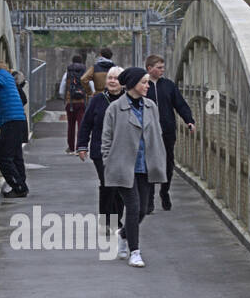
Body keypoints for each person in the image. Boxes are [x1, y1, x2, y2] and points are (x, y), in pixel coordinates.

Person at [101, 67, 167, 268]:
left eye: (148, 82)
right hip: (123, 166)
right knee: (133, 206)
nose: (148, 86)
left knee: (144, 209)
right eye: (144, 82)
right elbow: (106, 139)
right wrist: (109, 161)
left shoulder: (151, 106)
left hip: (146, 166)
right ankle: (135, 251)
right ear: (132, 84)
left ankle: (122, 235)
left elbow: (158, 134)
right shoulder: (115, 108)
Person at [76, 66, 125, 235]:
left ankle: (116, 218)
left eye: (116, 78)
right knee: (107, 184)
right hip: (100, 151)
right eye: (110, 78)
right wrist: (82, 145)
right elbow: (86, 124)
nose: (112, 81)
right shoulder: (97, 100)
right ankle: (109, 222)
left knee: (119, 186)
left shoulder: (128, 100)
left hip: (123, 151)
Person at [145, 54, 196, 210]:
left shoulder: (168, 85)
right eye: (159, 68)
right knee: (150, 164)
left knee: (168, 163)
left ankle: (164, 191)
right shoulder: (143, 85)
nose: (162, 70)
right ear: (149, 68)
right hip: (148, 132)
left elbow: (180, 104)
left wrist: (189, 120)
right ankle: (149, 199)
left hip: (167, 130)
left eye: (163, 67)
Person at [0, 61, 28, 197]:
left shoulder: (0, 76)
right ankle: (21, 184)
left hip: (10, 121)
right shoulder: (9, 77)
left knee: (3, 158)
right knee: (15, 156)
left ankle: (19, 187)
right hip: (19, 120)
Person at [58, 54, 89, 154]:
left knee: (71, 126)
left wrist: (65, 98)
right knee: (81, 124)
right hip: (81, 102)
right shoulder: (85, 72)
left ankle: (71, 148)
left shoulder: (67, 73)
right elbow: (90, 86)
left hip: (70, 102)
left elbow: (62, 89)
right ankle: (79, 147)